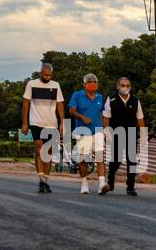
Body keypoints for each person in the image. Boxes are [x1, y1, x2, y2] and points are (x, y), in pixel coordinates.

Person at [22, 62, 65, 194]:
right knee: (40, 150)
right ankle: (41, 179)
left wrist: (62, 122)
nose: (48, 77)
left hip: (51, 123)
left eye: (50, 75)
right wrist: (25, 123)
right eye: (46, 75)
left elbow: (60, 105)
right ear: (41, 73)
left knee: (49, 152)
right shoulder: (31, 84)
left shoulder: (56, 85)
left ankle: (46, 180)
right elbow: (25, 104)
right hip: (36, 122)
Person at [103, 77, 145, 195]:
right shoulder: (111, 99)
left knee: (132, 161)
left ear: (130, 87)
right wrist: (106, 132)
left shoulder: (135, 101)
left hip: (131, 133)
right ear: (118, 86)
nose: (125, 87)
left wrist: (143, 134)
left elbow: (140, 118)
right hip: (116, 133)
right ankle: (111, 178)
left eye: (127, 85)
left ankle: (130, 186)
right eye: (122, 85)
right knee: (116, 160)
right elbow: (106, 116)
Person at [67, 74, 107, 195]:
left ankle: (101, 184)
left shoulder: (100, 97)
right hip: (83, 131)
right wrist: (82, 117)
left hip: (97, 131)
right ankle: (84, 183)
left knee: (100, 157)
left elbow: (102, 114)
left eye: (94, 81)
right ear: (84, 84)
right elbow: (71, 111)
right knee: (84, 160)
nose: (92, 83)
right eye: (89, 82)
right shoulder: (77, 95)